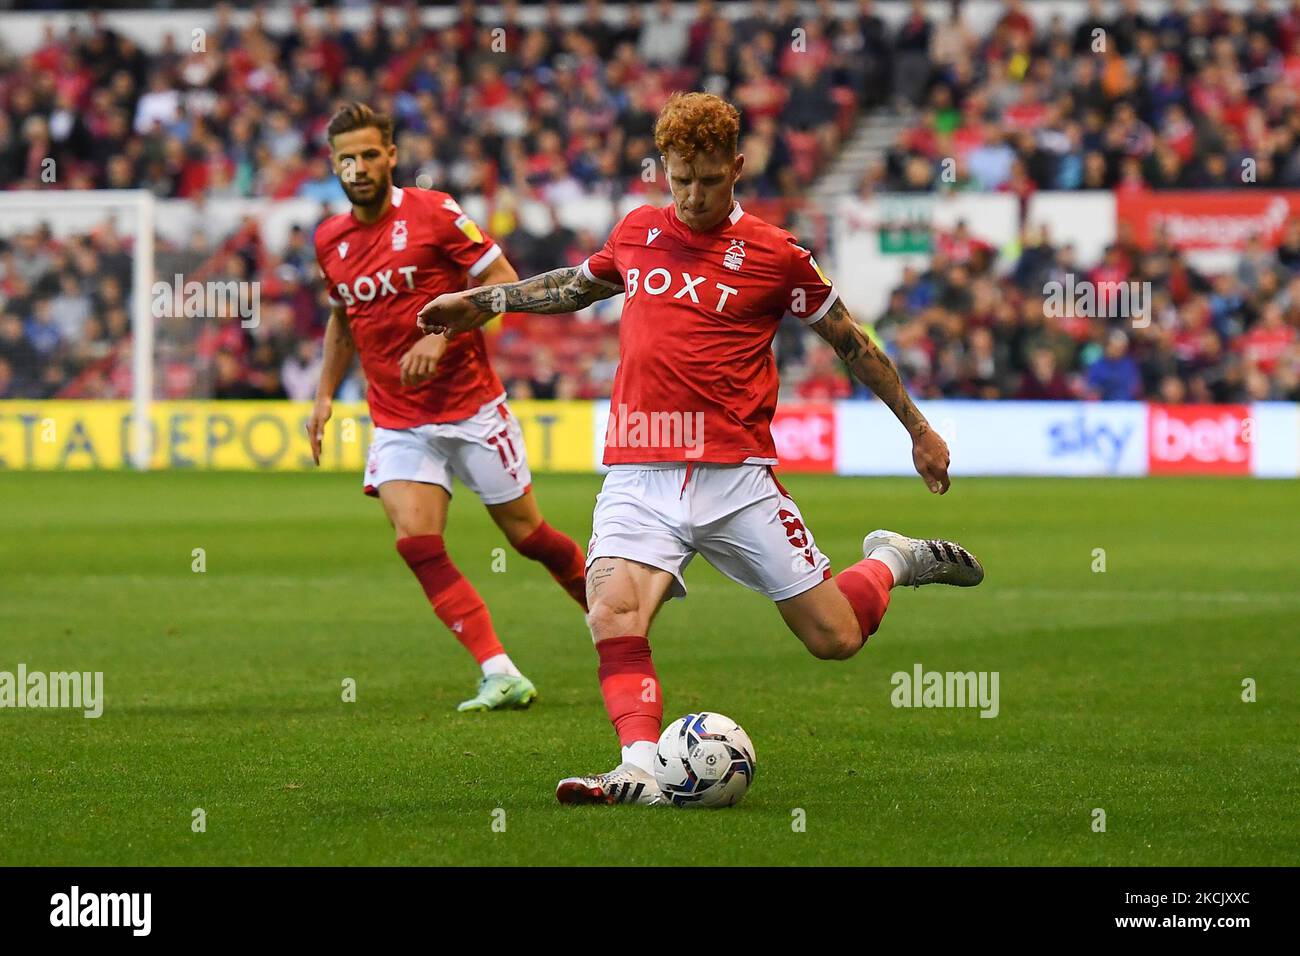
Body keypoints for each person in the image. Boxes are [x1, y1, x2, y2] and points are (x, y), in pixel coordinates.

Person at [418, 93, 984, 803]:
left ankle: (894, 559)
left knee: (834, 638)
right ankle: (638, 767)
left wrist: (918, 428)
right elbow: (573, 287)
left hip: (736, 477)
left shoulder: (778, 256)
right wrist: (483, 303)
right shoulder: (637, 232)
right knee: (614, 611)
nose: (691, 196)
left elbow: (851, 342)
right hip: (640, 467)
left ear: (737, 167)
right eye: (679, 179)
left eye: (709, 181)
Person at [310, 103, 589, 712]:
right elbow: (342, 317)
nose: (356, 168)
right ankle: (499, 670)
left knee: (529, 537)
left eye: (367, 154)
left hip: (471, 409)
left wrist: (443, 336)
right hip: (399, 420)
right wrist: (325, 393)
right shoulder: (329, 239)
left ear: (390, 155)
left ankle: (614, 617)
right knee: (416, 542)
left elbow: (506, 284)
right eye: (344, 159)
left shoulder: (436, 214)